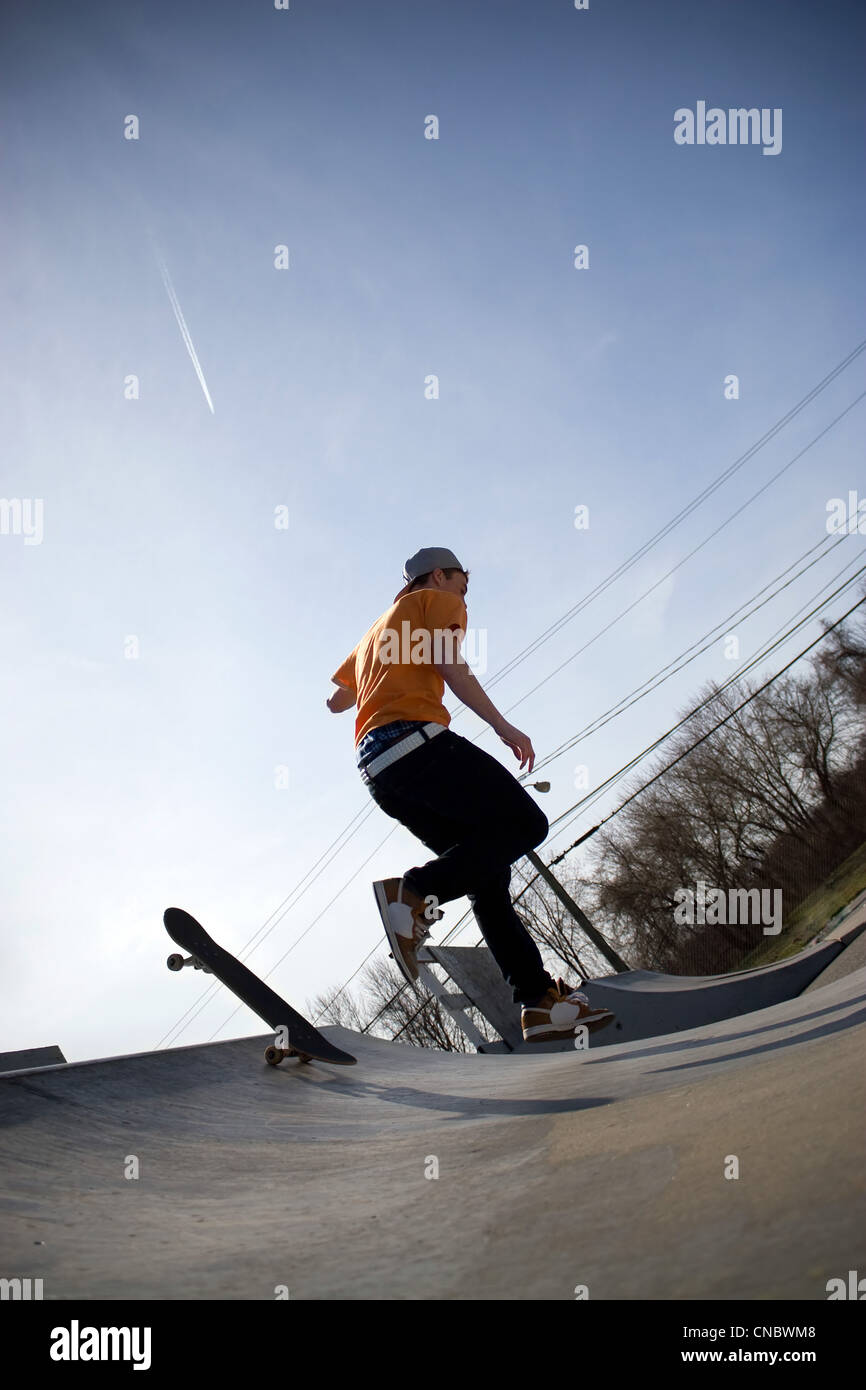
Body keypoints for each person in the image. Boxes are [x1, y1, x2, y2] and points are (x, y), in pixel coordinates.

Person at [327, 546, 612, 1044]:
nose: (464, 594)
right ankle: (413, 891)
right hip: (415, 744)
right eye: (463, 583)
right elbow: (453, 668)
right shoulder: (434, 601)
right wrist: (504, 727)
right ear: (439, 575)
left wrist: (375, 674)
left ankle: (539, 1002)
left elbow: (337, 701)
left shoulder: (377, 631)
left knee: (486, 873)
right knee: (526, 824)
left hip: (378, 770)